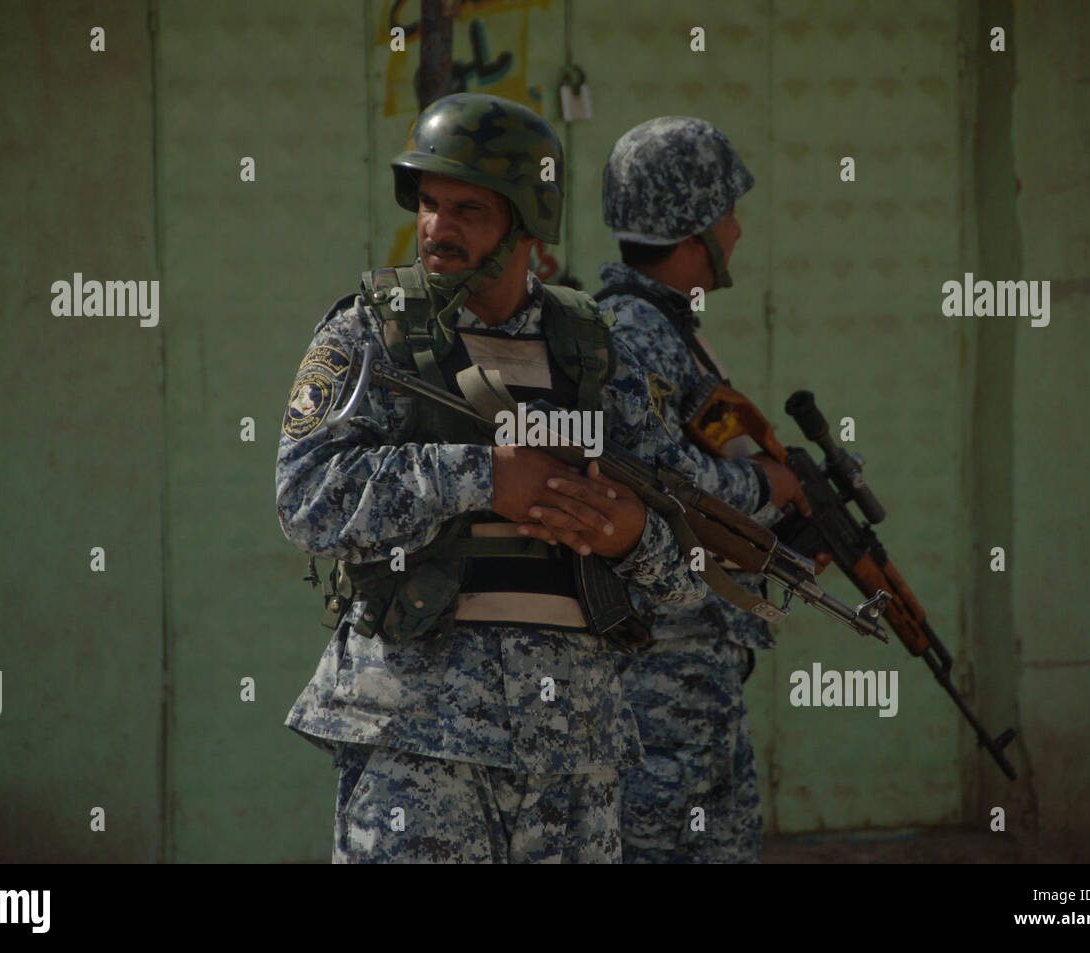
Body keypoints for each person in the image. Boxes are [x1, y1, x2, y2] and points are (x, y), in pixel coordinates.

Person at [275, 94, 748, 863]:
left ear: (527, 222)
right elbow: (307, 497)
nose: (437, 227)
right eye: (427, 203)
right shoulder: (372, 333)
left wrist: (632, 537)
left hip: (573, 758)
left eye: (467, 207)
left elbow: (687, 576)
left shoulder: (595, 355)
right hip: (419, 746)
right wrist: (483, 477)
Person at [595, 116, 812, 863]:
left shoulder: (664, 327)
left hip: (694, 670)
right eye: (729, 213)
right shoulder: (636, 331)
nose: (739, 231)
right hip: (660, 677)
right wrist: (764, 483)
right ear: (694, 228)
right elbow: (662, 481)